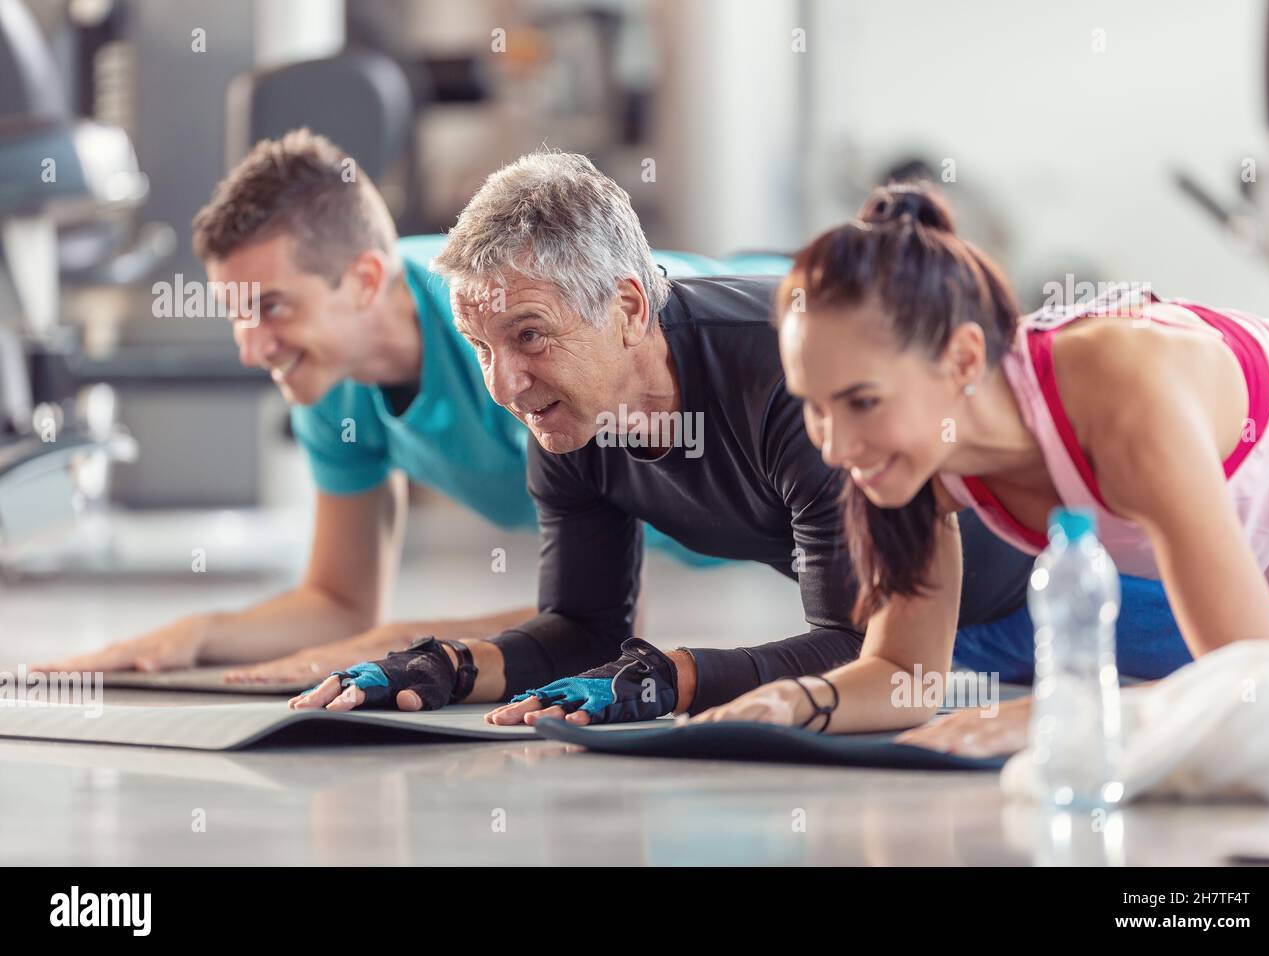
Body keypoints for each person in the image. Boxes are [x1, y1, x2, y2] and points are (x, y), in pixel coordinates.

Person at [289, 151, 1039, 720]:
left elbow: (854, 644)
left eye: (529, 336)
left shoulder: (786, 373)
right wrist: (450, 666)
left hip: (1062, 593)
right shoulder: (566, 414)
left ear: (626, 306)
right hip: (933, 651)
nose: (505, 385)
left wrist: (670, 678)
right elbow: (585, 628)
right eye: (481, 348)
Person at [32, 130, 782, 687]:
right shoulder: (334, 388)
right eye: (236, 316)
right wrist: (198, 636)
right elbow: (338, 598)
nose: (252, 348)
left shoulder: (528, 334)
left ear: (363, 280)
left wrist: (405, 643)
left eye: (271, 308)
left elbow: (621, 624)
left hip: (787, 331)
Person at [692, 182, 1269, 753]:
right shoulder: (922, 458)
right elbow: (906, 674)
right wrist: (795, 702)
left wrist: (1054, 714)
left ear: (963, 359)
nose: (834, 447)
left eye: (863, 402)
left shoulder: (1126, 397)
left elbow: (1251, 687)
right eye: (816, 408)